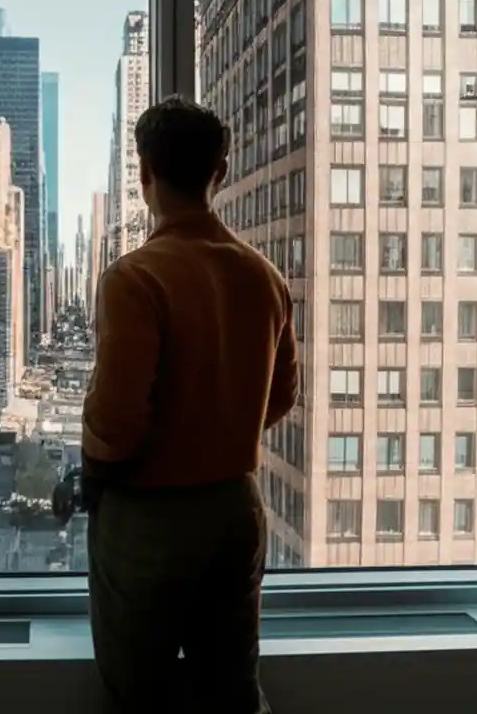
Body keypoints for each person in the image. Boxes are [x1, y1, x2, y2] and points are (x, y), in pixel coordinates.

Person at [79, 96, 298, 713]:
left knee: (137, 696)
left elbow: (117, 426)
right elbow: (281, 397)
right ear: (220, 172)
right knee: (233, 694)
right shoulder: (264, 277)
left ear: (145, 175)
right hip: (235, 512)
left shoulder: (134, 279)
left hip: (148, 520)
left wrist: (93, 470)